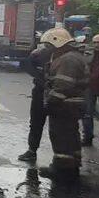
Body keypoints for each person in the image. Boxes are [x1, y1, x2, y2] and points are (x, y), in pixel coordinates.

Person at [38, 27, 88, 182]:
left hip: (65, 106)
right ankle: (72, 167)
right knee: (71, 137)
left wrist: (51, 102)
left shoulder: (68, 60)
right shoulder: (72, 56)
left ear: (57, 43)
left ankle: (61, 169)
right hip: (72, 105)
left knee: (61, 137)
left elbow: (63, 85)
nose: (47, 48)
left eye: (48, 45)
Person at [17, 39, 56, 163]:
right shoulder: (40, 54)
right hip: (40, 92)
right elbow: (28, 65)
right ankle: (32, 150)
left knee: (56, 126)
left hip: (56, 94)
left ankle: (59, 155)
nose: (48, 46)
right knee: (35, 123)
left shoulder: (64, 57)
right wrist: (39, 76)